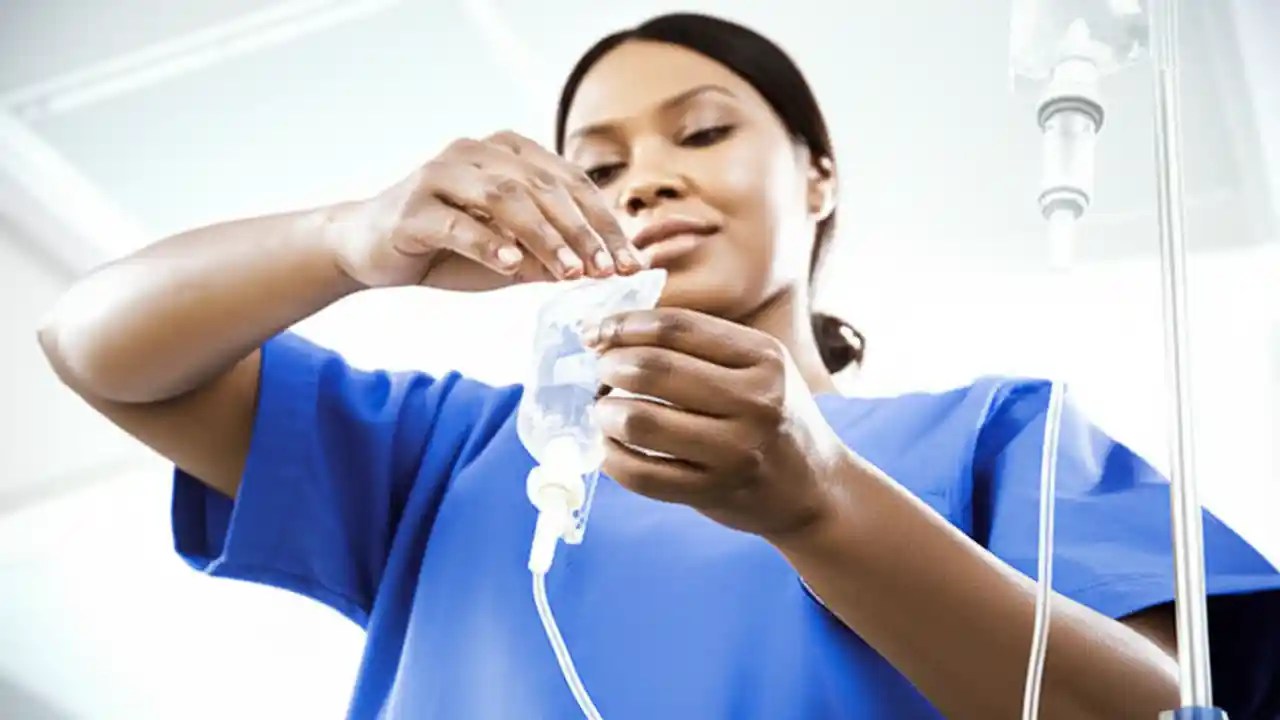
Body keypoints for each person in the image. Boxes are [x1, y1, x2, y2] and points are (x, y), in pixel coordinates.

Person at [38, 11, 1279, 720]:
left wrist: (820, 503)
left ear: (817, 174)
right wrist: (347, 238)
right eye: (598, 165)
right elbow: (93, 346)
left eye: (701, 131)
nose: (650, 179)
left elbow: (1157, 714)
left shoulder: (997, 436)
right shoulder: (450, 458)